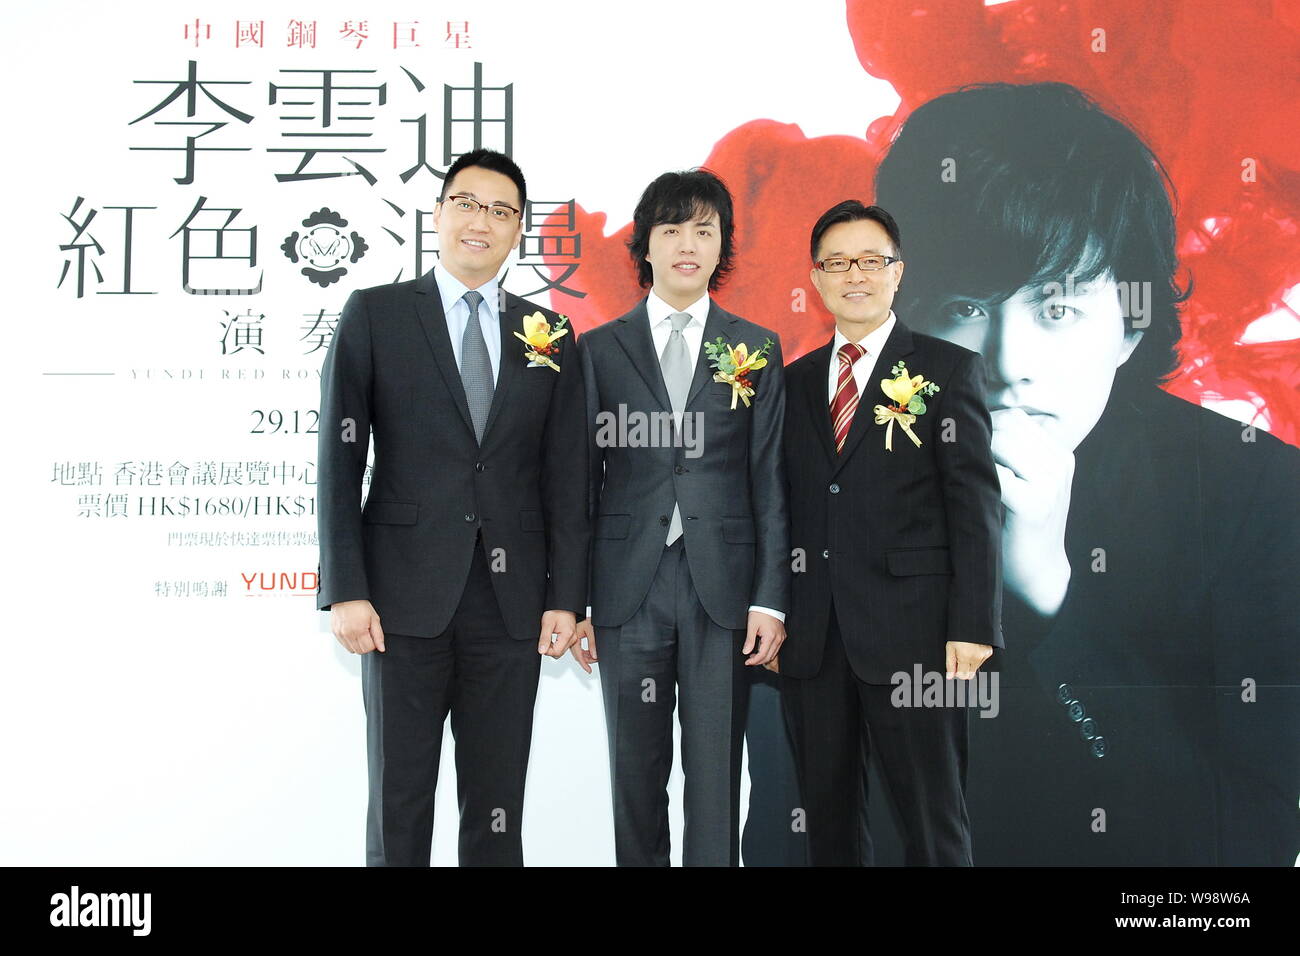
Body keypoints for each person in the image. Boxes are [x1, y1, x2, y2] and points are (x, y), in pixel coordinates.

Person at [872, 81, 1300, 865]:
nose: (1006, 365)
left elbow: (1246, 857)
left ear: (1131, 327)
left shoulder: (1258, 498)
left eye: (1058, 309)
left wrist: (1049, 609)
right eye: (965, 306)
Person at [316, 148, 589, 866]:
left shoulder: (550, 335)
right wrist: (345, 588)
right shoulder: (375, 315)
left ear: (518, 230)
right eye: (467, 203)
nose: (482, 222)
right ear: (438, 215)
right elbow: (338, 464)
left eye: (502, 212)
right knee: (400, 797)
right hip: (401, 600)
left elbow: (566, 475)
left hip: (512, 603)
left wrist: (568, 598)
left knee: (498, 805)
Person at [571, 169, 789, 866]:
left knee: (716, 776)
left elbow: (769, 480)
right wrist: (572, 601)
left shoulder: (754, 347)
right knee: (634, 776)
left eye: (704, 229)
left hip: (721, 590)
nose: (687, 244)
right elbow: (579, 483)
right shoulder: (599, 349)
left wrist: (771, 600)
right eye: (671, 229)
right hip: (625, 591)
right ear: (646, 245)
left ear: (723, 243)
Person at [778, 200, 1003, 865]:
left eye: (871, 261)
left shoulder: (945, 371)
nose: (856, 275)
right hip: (815, 638)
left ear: (897, 273)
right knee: (829, 828)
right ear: (816, 278)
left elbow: (975, 505)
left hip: (916, 635)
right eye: (838, 263)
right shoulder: (788, 385)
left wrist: (973, 624)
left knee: (933, 825)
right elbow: (779, 504)